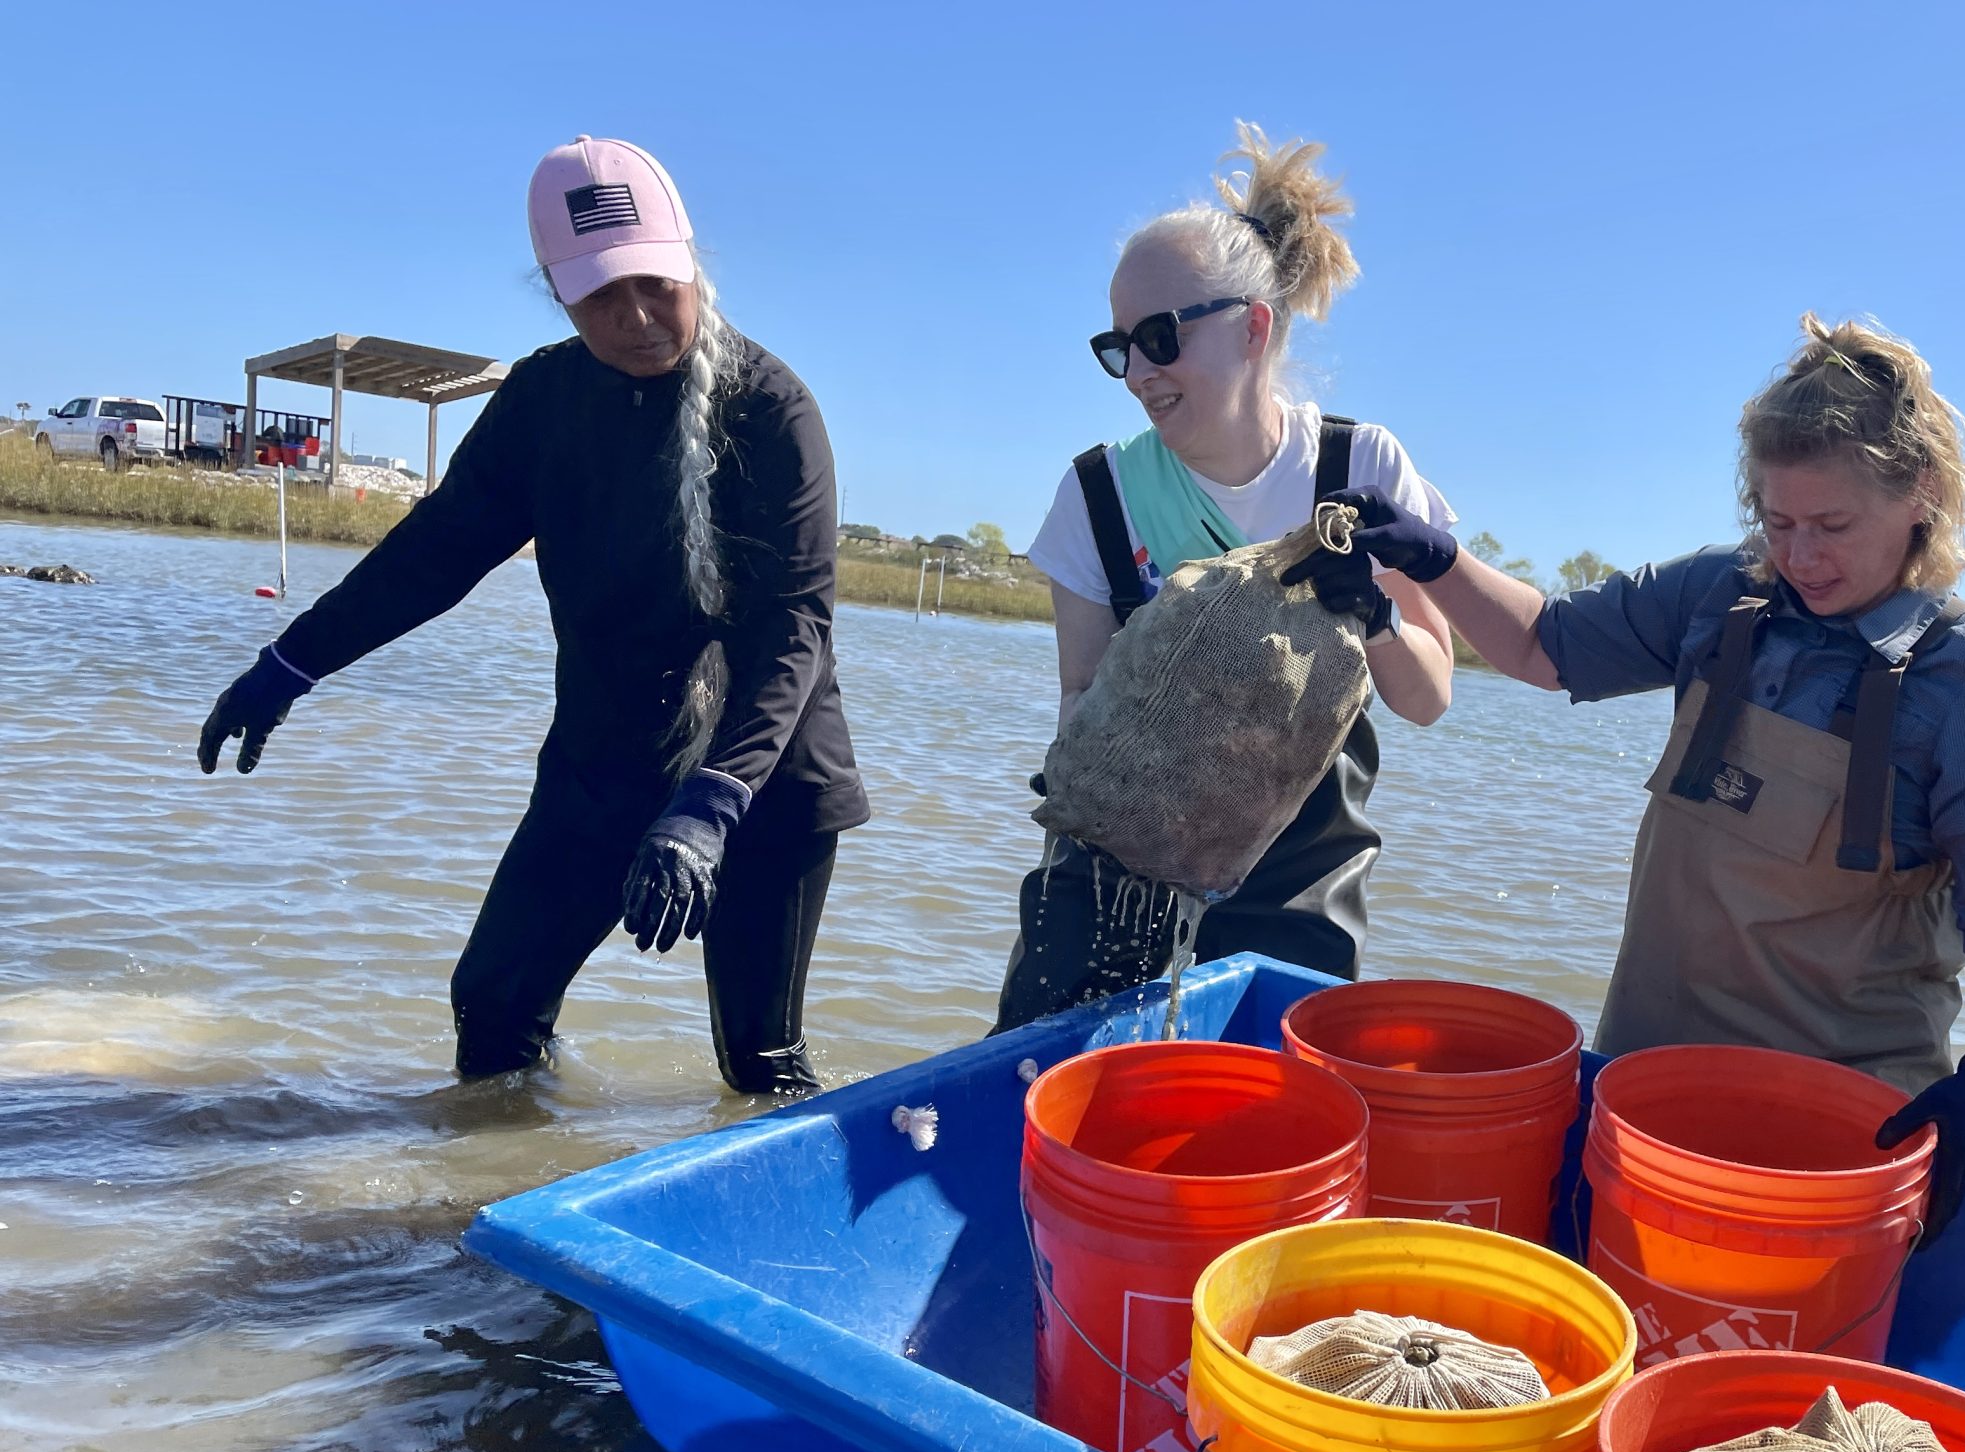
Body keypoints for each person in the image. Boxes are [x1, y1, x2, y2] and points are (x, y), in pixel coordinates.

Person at [1323, 315, 1965, 1242]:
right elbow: (1543, 645)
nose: (1800, 557)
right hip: (1644, 1097)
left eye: (1833, 526)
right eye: (1778, 522)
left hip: (1835, 1141)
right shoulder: (1720, 593)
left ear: (1922, 492)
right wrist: (1434, 560)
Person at [197, 136, 864, 1096]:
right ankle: (500, 1179)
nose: (637, 317)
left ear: (690, 264)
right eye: (600, 295)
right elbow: (435, 555)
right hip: (606, 755)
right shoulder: (542, 400)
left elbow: (795, 628)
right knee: (493, 1004)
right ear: (556, 292)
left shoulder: (773, 410)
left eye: (655, 283)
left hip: (760, 773)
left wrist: (711, 804)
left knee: (758, 1065)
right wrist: (290, 665)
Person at [991, 124, 1458, 1031]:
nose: (1138, 373)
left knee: (1271, 1094)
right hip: (1114, 859)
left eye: (1159, 338)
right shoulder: (1097, 495)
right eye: (1118, 347)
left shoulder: (1359, 469)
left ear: (1253, 327)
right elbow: (1080, 701)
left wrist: (1375, 616)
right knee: (1036, 1073)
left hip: (1300, 867)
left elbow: (1430, 697)